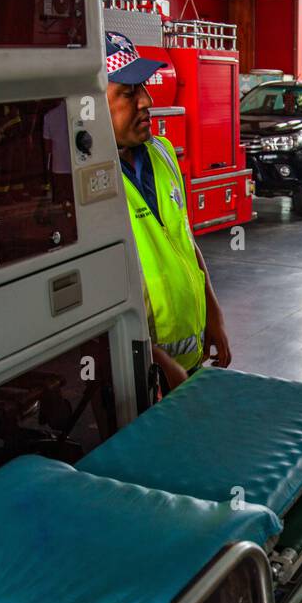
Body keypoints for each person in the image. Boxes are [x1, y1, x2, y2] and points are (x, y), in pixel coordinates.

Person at [104, 31, 230, 392]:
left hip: (185, 361)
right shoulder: (85, 182)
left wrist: (213, 312)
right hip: (139, 373)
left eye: (143, 87)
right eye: (129, 93)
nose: (146, 100)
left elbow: (184, 241)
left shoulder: (161, 152)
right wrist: (155, 360)